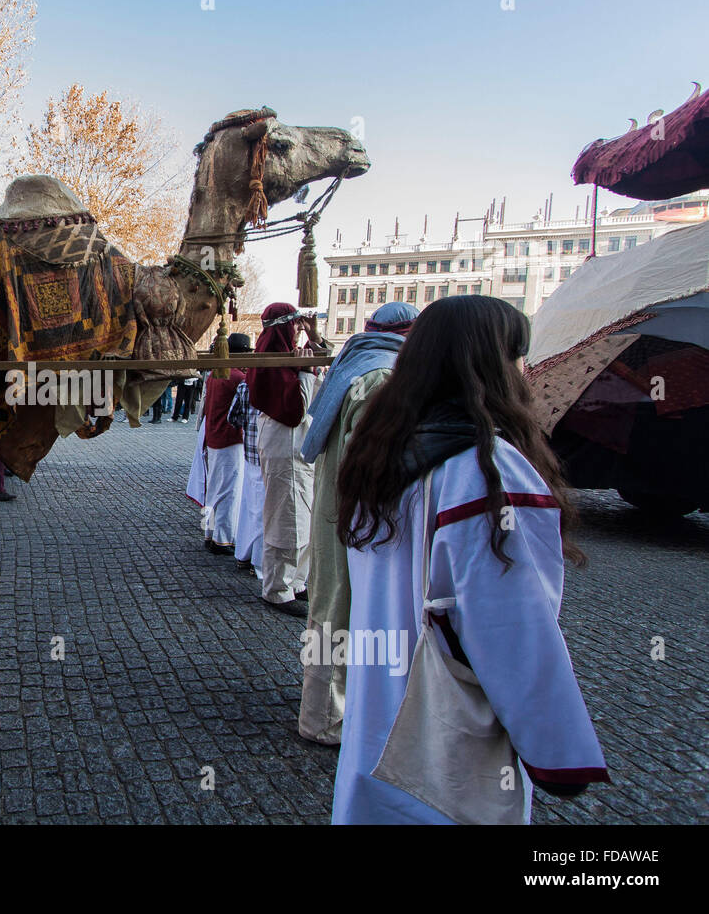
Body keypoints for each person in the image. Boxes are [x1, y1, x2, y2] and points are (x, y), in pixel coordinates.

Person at [332, 295, 609, 824]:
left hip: (376, 711)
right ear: (495, 366)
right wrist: (557, 752)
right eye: (518, 357)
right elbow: (511, 628)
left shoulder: (378, 454)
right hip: (444, 747)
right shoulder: (485, 473)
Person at [296, 301, 418, 746]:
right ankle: (325, 717)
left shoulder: (357, 362)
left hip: (337, 507)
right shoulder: (381, 376)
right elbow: (368, 462)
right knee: (339, 611)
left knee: (331, 606)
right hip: (355, 514)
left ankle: (326, 707)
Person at [246, 304, 327, 617]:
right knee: (288, 517)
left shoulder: (292, 356)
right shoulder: (272, 361)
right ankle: (277, 588)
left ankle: (296, 581)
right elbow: (294, 409)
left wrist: (315, 339)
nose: (299, 330)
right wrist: (305, 374)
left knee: (304, 517)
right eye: (295, 325)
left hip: (298, 445)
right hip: (285, 441)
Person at [199, 333, 251, 556]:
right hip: (230, 438)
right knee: (229, 491)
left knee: (214, 490)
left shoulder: (214, 374)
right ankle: (223, 538)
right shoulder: (238, 377)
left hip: (213, 437)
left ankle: (209, 533)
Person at [226, 365, 264, 579]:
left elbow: (233, 417)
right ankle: (258, 562)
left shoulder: (244, 384)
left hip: (250, 453)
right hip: (268, 457)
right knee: (261, 513)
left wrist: (248, 425)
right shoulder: (244, 381)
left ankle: (244, 554)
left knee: (249, 507)